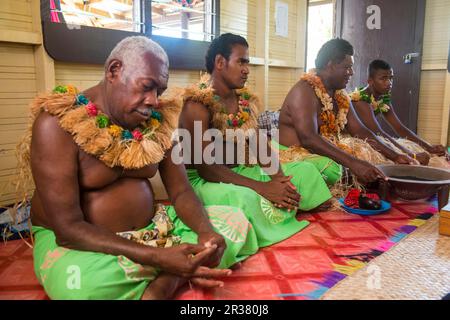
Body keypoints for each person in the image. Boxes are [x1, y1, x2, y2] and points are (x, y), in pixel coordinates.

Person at [16, 36, 263, 300]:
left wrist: (205, 232)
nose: (154, 100)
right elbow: (67, 229)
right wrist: (157, 257)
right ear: (114, 71)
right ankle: (178, 269)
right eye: (147, 86)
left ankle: (171, 278)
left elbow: (180, 192)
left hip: (157, 229)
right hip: (82, 243)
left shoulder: (156, 121)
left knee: (232, 223)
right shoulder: (56, 124)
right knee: (79, 286)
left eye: (160, 90)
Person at [179, 33, 333, 249]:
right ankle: (278, 211)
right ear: (220, 63)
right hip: (205, 180)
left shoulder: (243, 102)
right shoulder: (197, 104)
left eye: (247, 63)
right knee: (243, 197)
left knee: (305, 171)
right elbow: (207, 168)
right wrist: (263, 187)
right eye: (240, 61)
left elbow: (260, 147)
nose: (246, 69)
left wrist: (279, 180)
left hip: (239, 170)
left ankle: (279, 205)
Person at [276, 38, 415, 185]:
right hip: (293, 155)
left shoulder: (339, 94)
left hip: (319, 152)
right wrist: (354, 164)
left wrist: (395, 156)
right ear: (330, 65)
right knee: (336, 171)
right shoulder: (304, 91)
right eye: (347, 67)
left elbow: (360, 131)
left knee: (370, 159)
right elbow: (308, 138)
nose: (351, 72)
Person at [350, 59, 449, 168]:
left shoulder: (383, 98)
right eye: (383, 78)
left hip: (375, 137)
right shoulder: (361, 100)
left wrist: (429, 147)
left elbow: (399, 128)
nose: (389, 83)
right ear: (370, 81)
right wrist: (411, 155)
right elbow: (378, 133)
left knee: (423, 153)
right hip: (359, 140)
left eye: (391, 78)